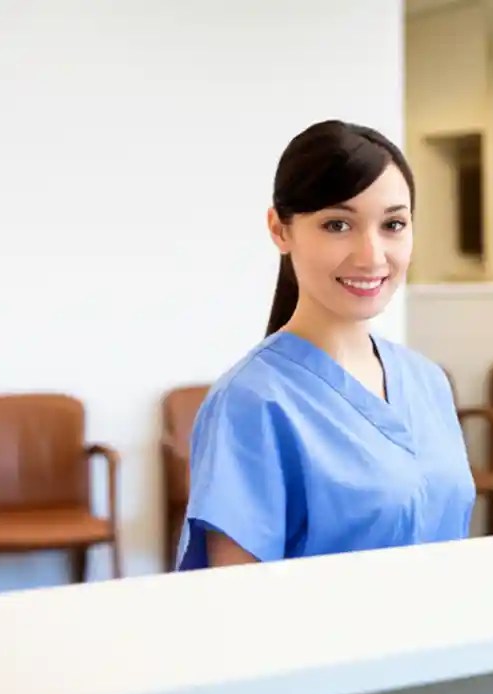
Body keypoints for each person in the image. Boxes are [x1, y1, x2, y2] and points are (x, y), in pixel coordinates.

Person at [176, 120, 476, 570]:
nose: (372, 254)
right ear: (280, 229)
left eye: (393, 224)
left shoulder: (428, 381)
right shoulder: (250, 402)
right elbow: (235, 606)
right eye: (338, 224)